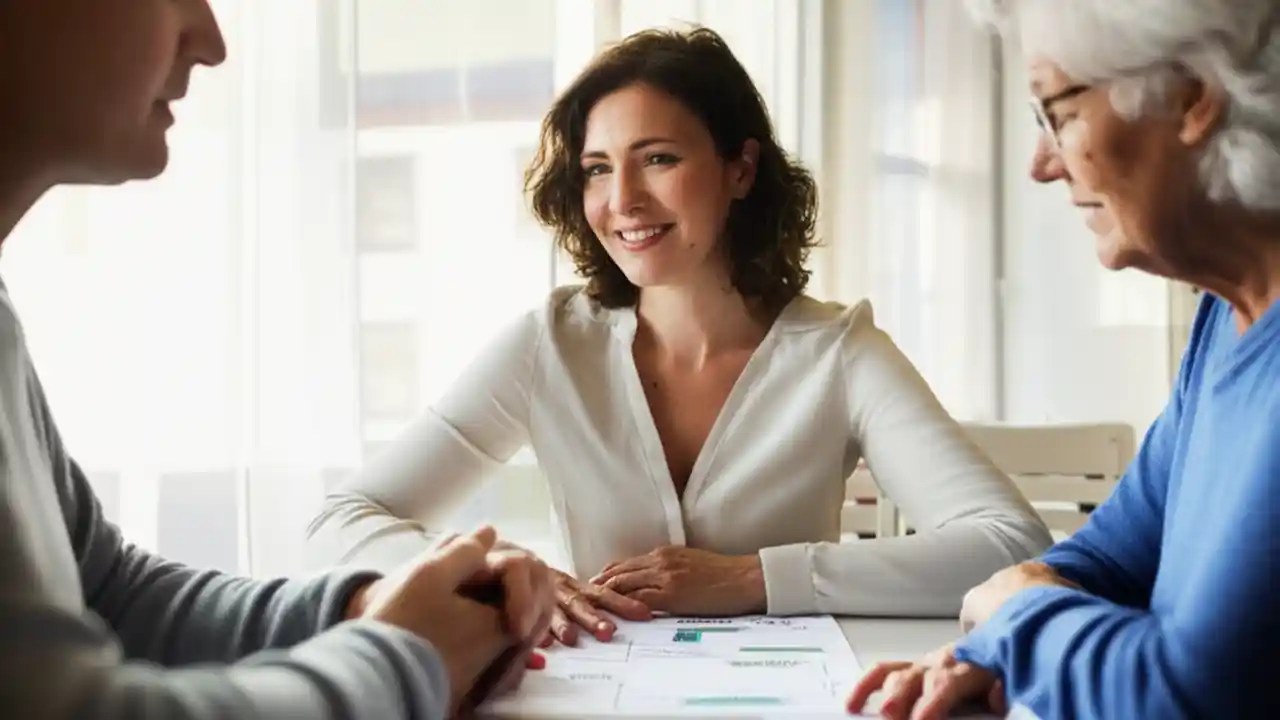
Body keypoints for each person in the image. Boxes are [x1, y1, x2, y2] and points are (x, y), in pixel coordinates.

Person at [307, 26, 1052, 647]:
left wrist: (755, 578)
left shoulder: (840, 353)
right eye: (597, 169)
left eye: (658, 158)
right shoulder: (548, 346)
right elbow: (341, 521)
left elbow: (1012, 545)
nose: (622, 201)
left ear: (740, 167)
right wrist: (495, 570)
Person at [0, 1, 555, 718]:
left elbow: (108, 594)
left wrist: (362, 607)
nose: (211, 42)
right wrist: (403, 655)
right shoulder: (548, 339)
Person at [847, 1, 1280, 718]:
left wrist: (1017, 618)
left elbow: (1185, 697)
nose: (1041, 163)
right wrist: (993, 643)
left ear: (1191, 92)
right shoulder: (1227, 315)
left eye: (1057, 112)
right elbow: (1112, 556)